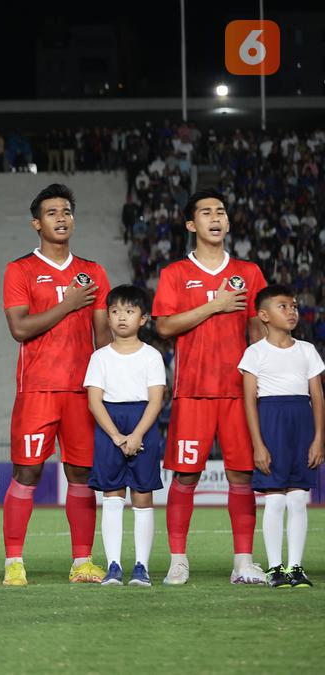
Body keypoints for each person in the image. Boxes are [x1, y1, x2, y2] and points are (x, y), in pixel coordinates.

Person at [152, 189, 268, 586]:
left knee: (241, 477)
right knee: (185, 477)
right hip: (193, 392)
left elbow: (258, 334)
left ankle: (243, 562)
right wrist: (214, 306)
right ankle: (178, 560)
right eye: (206, 212)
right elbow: (163, 327)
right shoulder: (174, 275)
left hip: (238, 394)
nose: (215, 217)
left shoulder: (249, 273)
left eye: (220, 212)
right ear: (191, 224)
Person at [1, 183, 110, 587]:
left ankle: (82, 561)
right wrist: (68, 303)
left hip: (83, 392)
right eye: (52, 212)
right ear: (36, 223)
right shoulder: (20, 270)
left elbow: (103, 339)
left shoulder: (94, 271)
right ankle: (14, 562)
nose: (62, 217)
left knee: (81, 475)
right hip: (38, 390)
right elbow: (20, 328)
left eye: (67, 211)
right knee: (27, 473)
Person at [238, 284, 324, 588]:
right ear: (263, 315)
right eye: (283, 306)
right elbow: (249, 400)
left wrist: (318, 439)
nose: (291, 312)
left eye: (295, 306)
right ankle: (275, 568)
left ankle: (296, 567)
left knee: (299, 498)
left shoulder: (307, 350)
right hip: (271, 421)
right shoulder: (254, 353)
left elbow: (317, 396)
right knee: (274, 501)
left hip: (301, 423)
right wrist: (258, 444)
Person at [83, 285, 166, 587]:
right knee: (112, 496)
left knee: (143, 496)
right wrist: (118, 436)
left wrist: (137, 434)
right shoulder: (100, 357)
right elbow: (94, 401)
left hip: (141, 422)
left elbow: (156, 400)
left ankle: (141, 566)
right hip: (110, 426)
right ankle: (114, 566)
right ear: (107, 316)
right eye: (115, 311)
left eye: (129, 311)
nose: (121, 317)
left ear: (143, 318)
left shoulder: (152, 356)